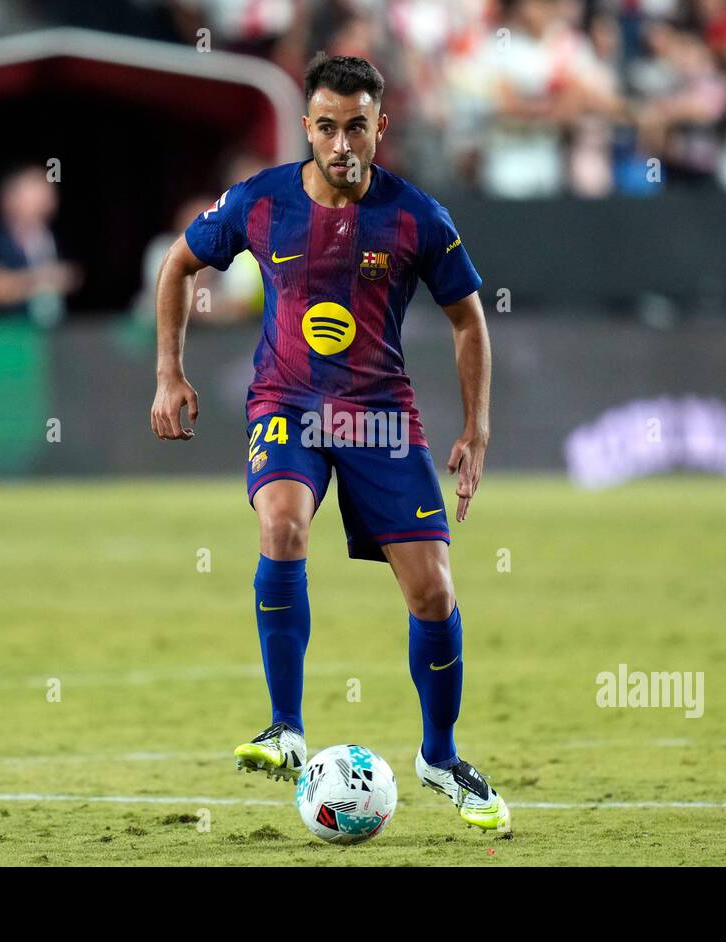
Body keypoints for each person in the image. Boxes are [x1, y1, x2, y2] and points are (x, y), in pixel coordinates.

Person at [149, 52, 509, 832]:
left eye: (357, 127)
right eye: (326, 126)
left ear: (382, 126)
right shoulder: (259, 202)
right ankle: (285, 727)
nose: (341, 143)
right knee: (281, 525)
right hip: (288, 403)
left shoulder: (419, 216)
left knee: (434, 591)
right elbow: (178, 265)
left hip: (379, 415)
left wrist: (476, 429)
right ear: (306, 127)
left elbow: (467, 318)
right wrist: (168, 373)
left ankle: (440, 757)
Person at [0, 164, 81, 326]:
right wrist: (41, 280)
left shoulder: (54, 234)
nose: (47, 195)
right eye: (36, 187)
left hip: (54, 330)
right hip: (12, 331)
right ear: (11, 198)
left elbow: (72, 275)